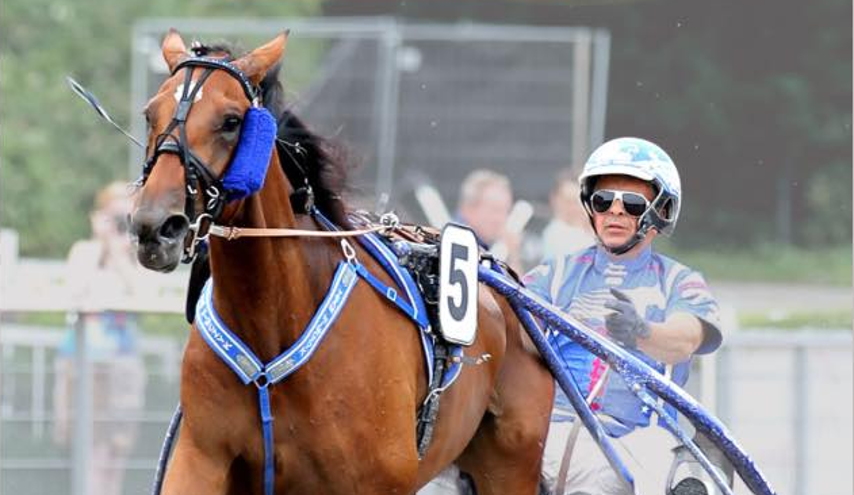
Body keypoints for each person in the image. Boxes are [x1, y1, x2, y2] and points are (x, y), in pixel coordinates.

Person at [523, 137, 724, 495]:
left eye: (631, 204)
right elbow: (511, 332)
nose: (615, 212)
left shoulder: (680, 281)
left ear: (661, 211)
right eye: (603, 201)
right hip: (547, 432)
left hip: (640, 441)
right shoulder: (552, 275)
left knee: (681, 473)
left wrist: (641, 332)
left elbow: (685, 339)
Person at [53, 181, 147, 495]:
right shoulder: (84, 251)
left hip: (121, 362)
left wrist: (119, 255)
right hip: (82, 360)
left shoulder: (136, 256)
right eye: (114, 216)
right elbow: (74, 292)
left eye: (125, 217)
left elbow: (143, 296)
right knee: (88, 448)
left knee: (116, 449)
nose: (120, 224)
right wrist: (101, 244)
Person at [454, 169, 522, 269]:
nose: (502, 219)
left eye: (507, 211)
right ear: (469, 209)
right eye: (496, 210)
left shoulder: (486, 245)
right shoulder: (455, 246)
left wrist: (512, 254)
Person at [541, 170, 594, 260]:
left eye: (576, 201)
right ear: (554, 200)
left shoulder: (589, 230)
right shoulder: (555, 235)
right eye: (568, 201)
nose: (574, 208)